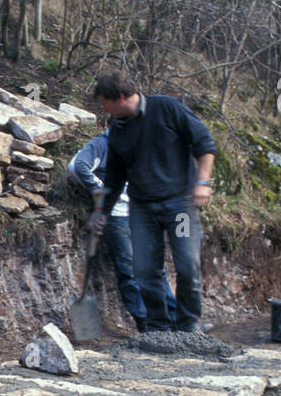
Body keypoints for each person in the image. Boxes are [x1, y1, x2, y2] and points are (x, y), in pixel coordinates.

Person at [90, 72, 217, 333]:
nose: (103, 108)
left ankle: (188, 326)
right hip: (143, 210)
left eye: (104, 102)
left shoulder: (167, 108)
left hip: (179, 206)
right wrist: (101, 211)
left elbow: (205, 144)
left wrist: (202, 182)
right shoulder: (116, 128)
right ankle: (158, 326)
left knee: (186, 265)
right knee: (145, 270)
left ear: (122, 97)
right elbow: (113, 177)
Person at [68, 130, 177, 332]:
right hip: (118, 216)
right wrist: (99, 191)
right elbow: (76, 165)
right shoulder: (102, 144)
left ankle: (175, 320)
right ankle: (147, 325)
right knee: (130, 271)